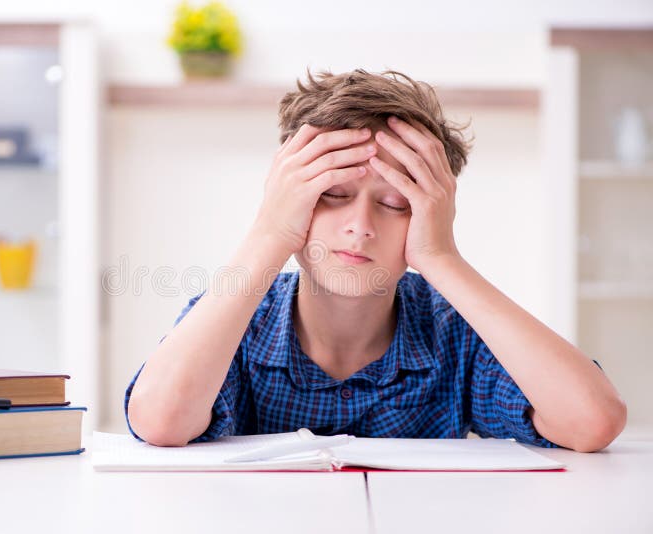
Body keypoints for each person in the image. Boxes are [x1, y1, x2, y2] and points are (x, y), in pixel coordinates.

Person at [125, 68, 626, 451]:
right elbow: (161, 422)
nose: (360, 226)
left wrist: (441, 256)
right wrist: (271, 231)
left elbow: (592, 421)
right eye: (334, 195)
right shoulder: (235, 318)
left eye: (395, 204)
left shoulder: (453, 329)